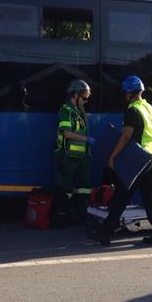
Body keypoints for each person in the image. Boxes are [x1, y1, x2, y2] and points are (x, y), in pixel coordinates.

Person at [90, 75, 152, 247]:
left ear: (129, 93)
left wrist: (113, 156)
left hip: (138, 159)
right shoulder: (151, 109)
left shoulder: (133, 110)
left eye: (125, 92)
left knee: (122, 195)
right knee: (150, 197)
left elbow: (126, 136)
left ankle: (105, 234)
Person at [54, 78, 95, 225]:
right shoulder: (66, 111)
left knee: (84, 187)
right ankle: (63, 217)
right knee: (65, 188)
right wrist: (86, 139)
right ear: (75, 95)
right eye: (84, 98)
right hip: (68, 156)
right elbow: (67, 133)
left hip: (82, 157)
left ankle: (80, 214)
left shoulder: (79, 111)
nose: (86, 101)